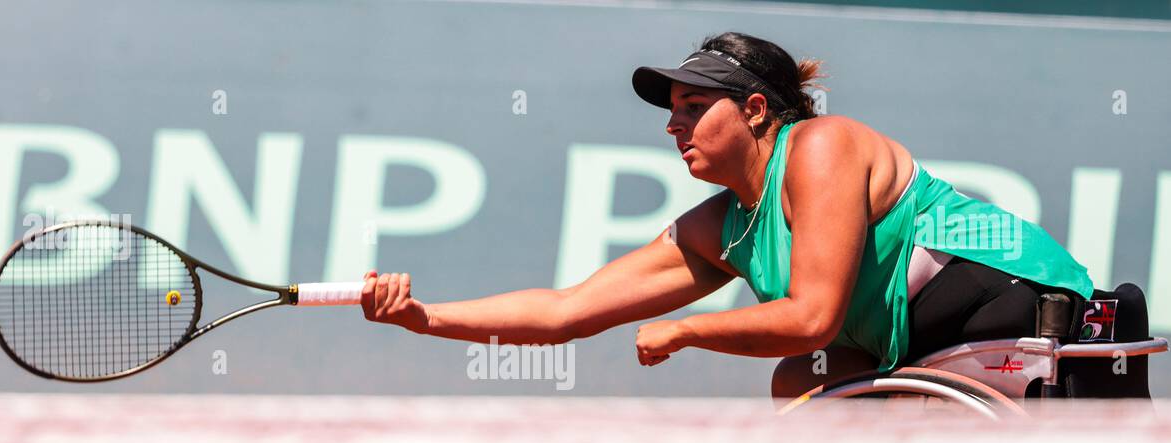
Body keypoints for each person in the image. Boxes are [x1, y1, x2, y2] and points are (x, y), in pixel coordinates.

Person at [359, 32, 1092, 400]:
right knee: (802, 383)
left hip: (1013, 295)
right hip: (927, 337)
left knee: (806, 359)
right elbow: (568, 310)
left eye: (691, 108)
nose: (673, 127)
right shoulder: (724, 227)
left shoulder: (822, 146)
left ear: (754, 110)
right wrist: (425, 317)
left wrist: (688, 329)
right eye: (671, 113)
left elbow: (811, 316)